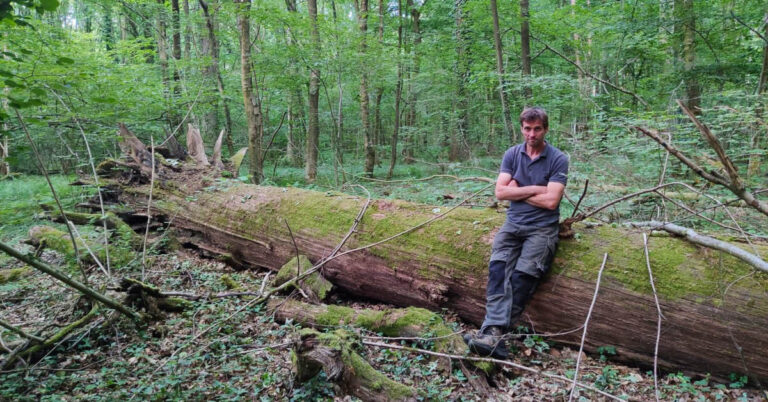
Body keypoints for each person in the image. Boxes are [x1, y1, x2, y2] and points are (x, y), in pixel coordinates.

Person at [465, 107, 568, 359]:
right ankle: (492, 335)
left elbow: (551, 202)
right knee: (498, 271)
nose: (532, 134)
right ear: (521, 128)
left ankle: (492, 334)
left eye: (537, 129)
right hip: (512, 224)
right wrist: (537, 189)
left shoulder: (558, 158)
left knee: (523, 279)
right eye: (527, 129)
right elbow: (500, 193)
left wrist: (518, 190)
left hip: (542, 229)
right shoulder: (512, 154)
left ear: (546, 129)